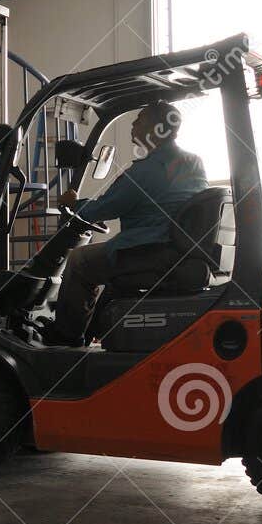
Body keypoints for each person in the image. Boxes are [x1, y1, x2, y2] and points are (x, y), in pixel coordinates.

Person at [45, 100, 208, 346]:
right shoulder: (193, 161)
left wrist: (73, 204)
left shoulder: (148, 170)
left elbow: (106, 206)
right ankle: (90, 328)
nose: (133, 124)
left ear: (156, 127)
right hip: (176, 248)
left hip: (152, 250)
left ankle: (67, 337)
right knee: (96, 259)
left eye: (140, 119)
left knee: (80, 261)